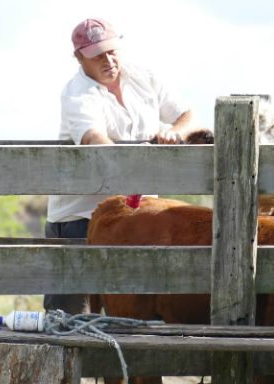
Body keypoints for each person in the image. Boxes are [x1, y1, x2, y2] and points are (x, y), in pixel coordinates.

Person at [44, 17, 195, 314]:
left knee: (136, 310)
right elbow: (95, 139)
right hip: (82, 217)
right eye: (97, 55)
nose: (108, 60)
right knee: (71, 316)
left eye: (112, 51)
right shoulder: (77, 94)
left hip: (137, 216)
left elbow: (187, 115)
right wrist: (134, 171)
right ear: (79, 58)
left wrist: (175, 132)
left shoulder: (144, 77)